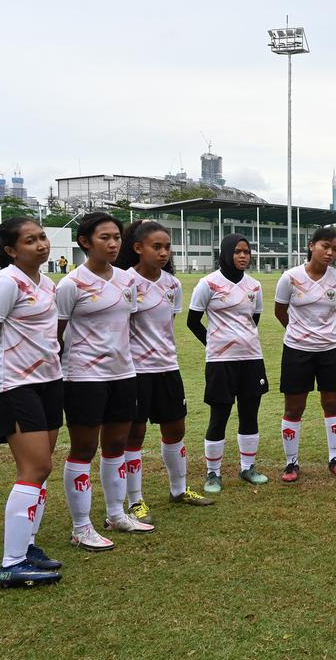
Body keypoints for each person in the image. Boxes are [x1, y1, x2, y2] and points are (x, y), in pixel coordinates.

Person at [0, 217, 64, 588]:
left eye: (42, 237)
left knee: (42, 468)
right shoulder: (5, 283)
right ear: (10, 250)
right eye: (30, 240)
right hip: (13, 385)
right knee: (34, 467)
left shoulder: (47, 282)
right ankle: (11, 564)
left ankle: (28, 547)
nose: (41, 244)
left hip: (48, 382)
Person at [56, 212, 154, 552]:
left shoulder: (128, 280)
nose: (113, 244)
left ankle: (116, 514)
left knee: (116, 446)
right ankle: (81, 526)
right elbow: (56, 336)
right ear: (85, 242)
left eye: (116, 238)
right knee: (84, 449)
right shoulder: (71, 284)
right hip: (84, 377)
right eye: (104, 238)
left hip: (124, 374)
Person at [113, 220, 211, 521]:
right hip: (135, 371)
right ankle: (135, 499)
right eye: (157, 247)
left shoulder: (173, 284)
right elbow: (119, 328)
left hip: (168, 367)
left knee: (175, 430)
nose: (164, 252)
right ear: (138, 248)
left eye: (167, 247)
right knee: (135, 434)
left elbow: (166, 327)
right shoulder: (123, 282)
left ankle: (179, 489)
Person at [190, 233, 270, 492]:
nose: (243, 256)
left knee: (250, 414)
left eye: (246, 251)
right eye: (237, 251)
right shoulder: (208, 284)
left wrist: (241, 340)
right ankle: (213, 474)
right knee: (219, 416)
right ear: (225, 253)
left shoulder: (254, 286)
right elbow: (193, 321)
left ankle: (248, 468)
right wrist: (215, 343)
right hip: (220, 362)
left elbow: (253, 319)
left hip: (251, 359)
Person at [274, 227, 336, 482]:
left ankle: (335, 458)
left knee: (332, 404)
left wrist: (322, 333)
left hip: (331, 349)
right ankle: (291, 463)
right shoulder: (290, 277)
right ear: (311, 246)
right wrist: (299, 332)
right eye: (325, 246)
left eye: (335, 249)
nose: (330, 253)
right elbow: (280, 311)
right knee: (294, 408)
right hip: (297, 350)